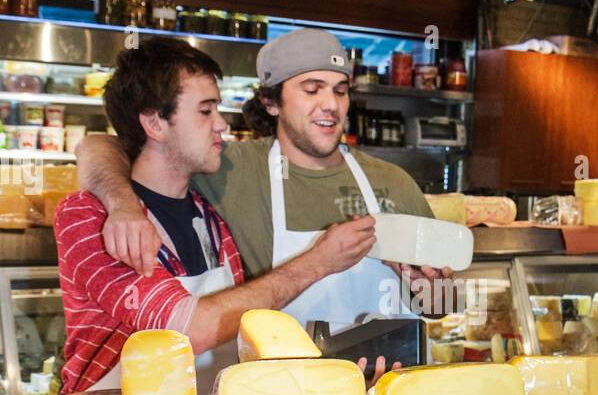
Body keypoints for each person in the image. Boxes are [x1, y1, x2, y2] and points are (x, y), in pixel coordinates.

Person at [57, 36, 382, 394]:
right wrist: (319, 262)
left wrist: (334, 378)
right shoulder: (91, 218)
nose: (221, 125)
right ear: (154, 124)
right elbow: (186, 331)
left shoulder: (211, 213)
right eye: (205, 110)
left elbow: (242, 338)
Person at [76, 28, 452, 335]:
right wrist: (121, 202)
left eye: (340, 90)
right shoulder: (228, 168)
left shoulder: (395, 182)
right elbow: (103, 146)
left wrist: (433, 296)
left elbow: (444, 307)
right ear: (272, 103)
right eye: (312, 89)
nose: (332, 105)